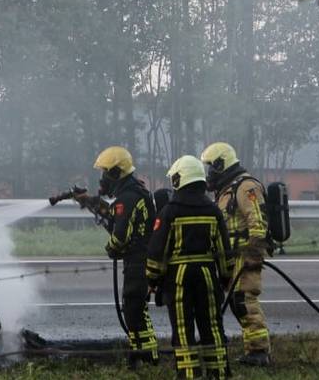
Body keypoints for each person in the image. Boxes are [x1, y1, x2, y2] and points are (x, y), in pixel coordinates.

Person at [147, 155, 232, 379]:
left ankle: (188, 373)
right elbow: (224, 250)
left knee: (183, 329)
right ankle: (219, 372)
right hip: (207, 276)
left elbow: (157, 251)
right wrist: (225, 277)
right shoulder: (213, 211)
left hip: (179, 279)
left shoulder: (169, 212)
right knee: (212, 326)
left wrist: (152, 280)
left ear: (179, 179)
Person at [81, 145, 158, 367]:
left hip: (138, 260)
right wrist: (91, 202)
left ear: (116, 173)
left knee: (134, 308)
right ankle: (142, 353)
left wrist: (111, 248)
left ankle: (144, 355)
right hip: (141, 258)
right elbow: (116, 219)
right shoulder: (134, 192)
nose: (102, 179)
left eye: (105, 173)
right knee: (135, 309)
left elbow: (120, 234)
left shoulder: (127, 197)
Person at [201, 142, 271, 366]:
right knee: (235, 301)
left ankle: (259, 352)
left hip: (245, 255)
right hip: (230, 257)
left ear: (223, 164)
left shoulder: (245, 187)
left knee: (244, 299)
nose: (209, 173)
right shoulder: (227, 190)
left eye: (212, 167)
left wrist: (253, 255)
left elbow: (258, 223)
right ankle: (252, 349)